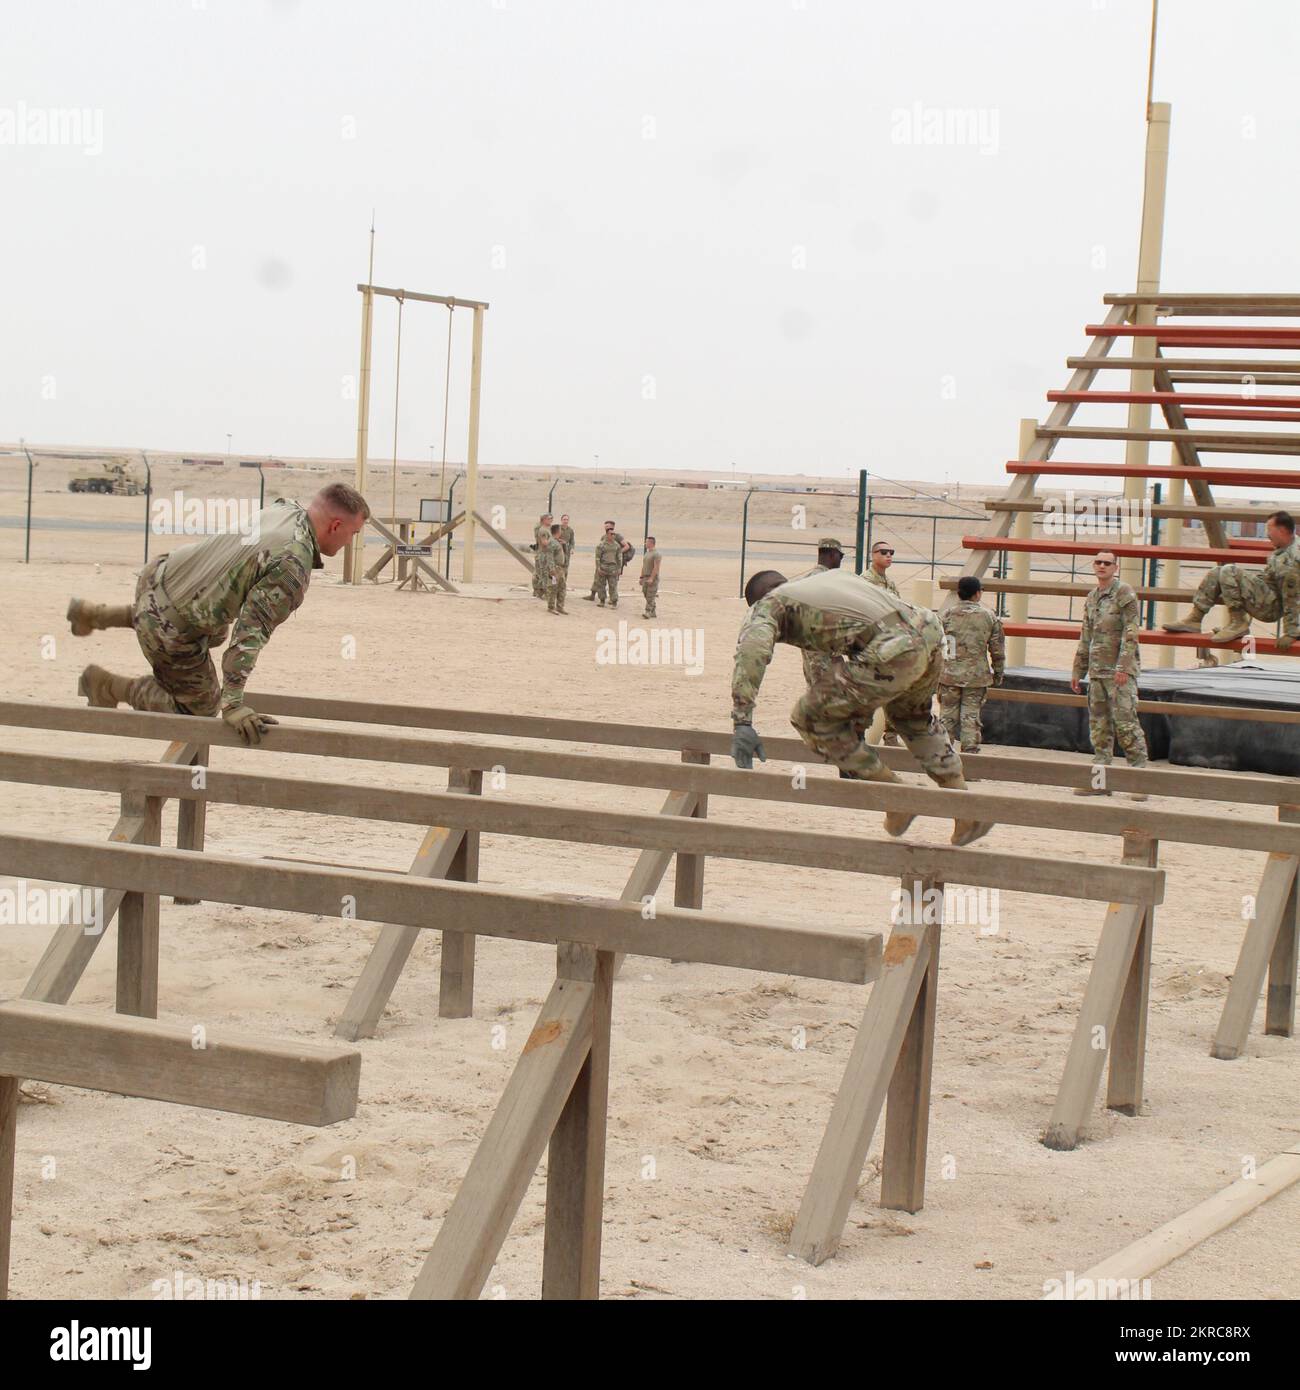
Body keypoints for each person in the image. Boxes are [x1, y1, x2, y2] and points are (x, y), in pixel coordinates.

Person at [66, 484, 369, 746]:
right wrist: (232, 704)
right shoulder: (293, 564)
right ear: (335, 526)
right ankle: (106, 686)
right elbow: (251, 633)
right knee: (199, 709)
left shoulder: (286, 510)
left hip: (157, 576)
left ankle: (96, 615)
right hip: (168, 625)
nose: (350, 543)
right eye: (352, 534)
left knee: (217, 628)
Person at [728, 567, 992, 846]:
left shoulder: (768, 604)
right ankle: (967, 811)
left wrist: (742, 722)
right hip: (928, 631)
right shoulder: (829, 580)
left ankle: (895, 796)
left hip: (890, 647)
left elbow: (752, 652)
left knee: (808, 718)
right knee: (912, 720)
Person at [1071, 549, 1148, 800]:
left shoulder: (1124, 593)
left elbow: (1131, 631)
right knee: (1099, 729)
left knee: (1126, 725)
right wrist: (1077, 669)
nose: (1102, 566)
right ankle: (1100, 782)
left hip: (1118, 673)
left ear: (1116, 567)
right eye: (1098, 562)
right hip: (1096, 671)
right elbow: (1086, 635)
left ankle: (1140, 782)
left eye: (1107, 563)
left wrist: (1123, 667)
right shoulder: (1092, 597)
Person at [1163, 510, 1300, 647]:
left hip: (1272, 608)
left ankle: (1238, 622)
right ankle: (1195, 618)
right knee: (1217, 572)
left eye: (1269, 530)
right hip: (1267, 597)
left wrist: (1291, 633)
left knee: (1230, 571)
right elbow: (1269, 579)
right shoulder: (1283, 549)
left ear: (1282, 530)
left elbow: (1292, 597)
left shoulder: (1292, 560)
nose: (1267, 535)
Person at [938, 576, 1005, 754]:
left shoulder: (946, 615)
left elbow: (936, 645)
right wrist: (998, 674)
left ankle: (943, 754)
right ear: (977, 593)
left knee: (946, 715)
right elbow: (997, 650)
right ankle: (970, 752)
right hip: (976, 675)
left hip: (949, 674)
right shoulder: (989, 616)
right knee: (971, 715)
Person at [583, 520, 628, 607]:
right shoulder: (602, 542)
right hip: (603, 566)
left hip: (613, 567)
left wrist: (616, 556)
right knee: (600, 583)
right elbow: (598, 556)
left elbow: (625, 548)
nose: (606, 527)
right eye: (605, 526)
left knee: (613, 585)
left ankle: (613, 600)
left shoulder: (617, 540)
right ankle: (600, 599)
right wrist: (598, 567)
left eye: (608, 526)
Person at [542, 522, 568, 614]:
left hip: (560, 569)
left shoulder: (557, 541)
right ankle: (551, 607)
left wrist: (564, 545)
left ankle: (560, 607)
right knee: (553, 588)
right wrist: (552, 569)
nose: (561, 531)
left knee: (562, 587)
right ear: (558, 531)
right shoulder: (552, 542)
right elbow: (550, 556)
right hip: (555, 570)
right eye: (560, 530)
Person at [532, 513, 553, 599]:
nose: (551, 520)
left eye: (552, 518)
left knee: (541, 573)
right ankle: (539, 591)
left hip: (545, 553)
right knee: (541, 573)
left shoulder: (547, 529)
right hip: (542, 554)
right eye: (549, 519)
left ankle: (539, 591)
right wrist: (554, 541)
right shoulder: (542, 529)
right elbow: (544, 542)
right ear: (544, 520)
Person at [639, 536, 662, 618]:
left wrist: (652, 578)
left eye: (647, 542)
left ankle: (647, 612)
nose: (645, 543)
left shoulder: (656, 554)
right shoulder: (647, 553)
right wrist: (641, 577)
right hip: (645, 577)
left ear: (651, 543)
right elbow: (643, 565)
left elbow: (656, 567)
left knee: (650, 595)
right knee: (645, 593)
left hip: (652, 577)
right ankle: (653, 610)